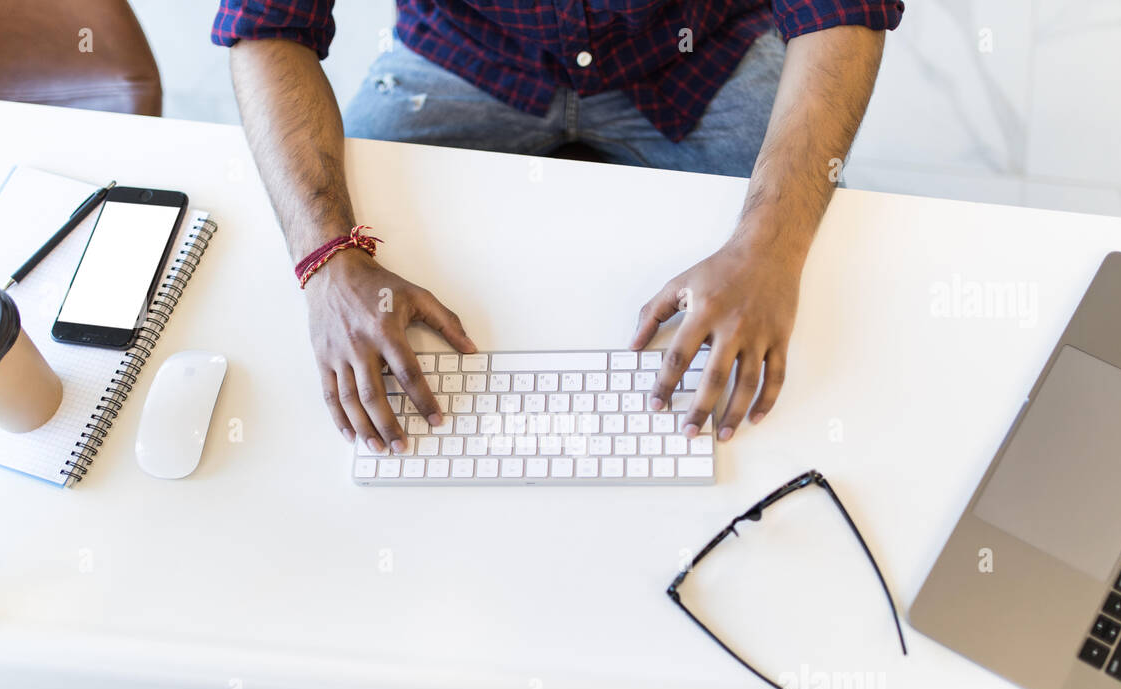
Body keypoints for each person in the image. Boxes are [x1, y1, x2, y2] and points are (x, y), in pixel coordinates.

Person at [213, 1, 903, 454]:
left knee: (818, 365)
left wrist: (771, 248)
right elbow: (266, 20)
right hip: (466, 56)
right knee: (314, 358)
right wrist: (327, 258)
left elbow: (842, 10)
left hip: (696, 60)